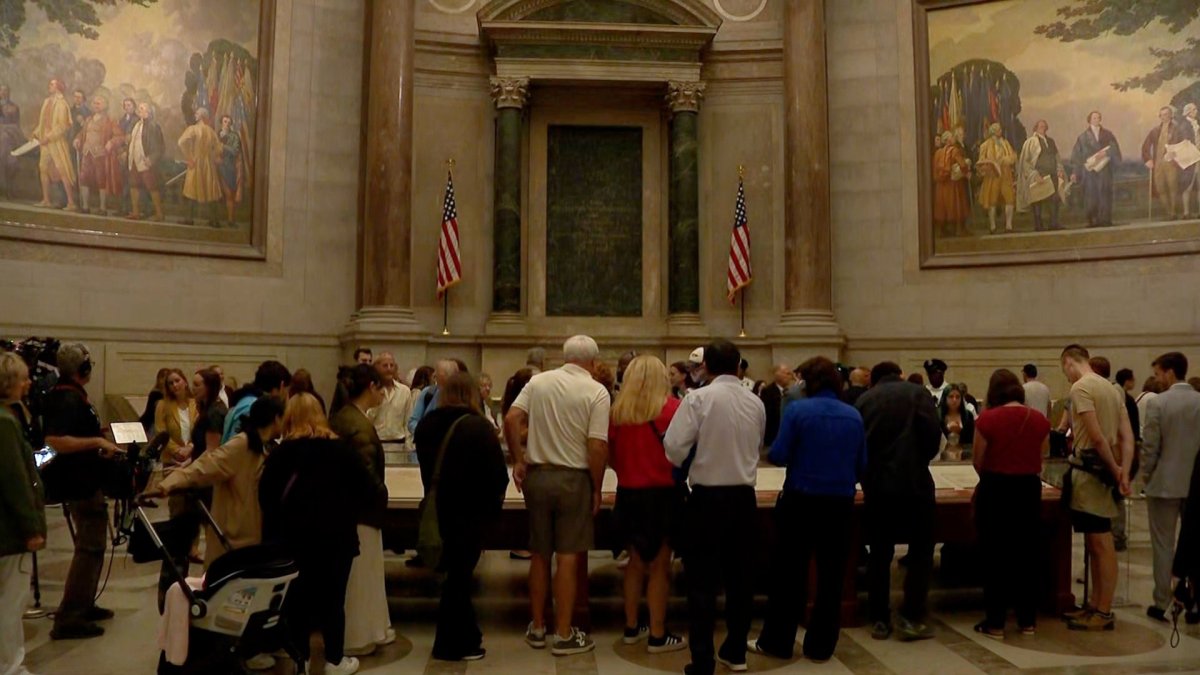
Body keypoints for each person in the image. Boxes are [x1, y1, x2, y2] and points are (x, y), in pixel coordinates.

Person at [751, 356, 864, 663]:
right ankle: (821, 646)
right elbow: (861, 463)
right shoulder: (853, 415)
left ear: (808, 382)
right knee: (832, 576)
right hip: (840, 503)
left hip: (801, 499)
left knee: (789, 573)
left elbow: (779, 453)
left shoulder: (799, 411)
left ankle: (778, 642)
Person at [504, 336, 610, 656]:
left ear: (563, 357)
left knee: (539, 553)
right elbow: (597, 445)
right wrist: (596, 486)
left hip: (538, 475)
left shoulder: (539, 382)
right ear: (593, 362)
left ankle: (537, 627)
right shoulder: (596, 391)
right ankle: (563, 634)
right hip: (574, 479)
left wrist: (518, 459)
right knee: (567, 556)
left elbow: (511, 418)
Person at [664, 340, 765, 675]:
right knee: (741, 580)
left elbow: (674, 448)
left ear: (705, 366)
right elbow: (757, 445)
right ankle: (736, 651)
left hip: (707, 499)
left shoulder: (698, 399)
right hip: (744, 499)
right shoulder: (755, 402)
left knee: (702, 582)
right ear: (737, 366)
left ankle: (703, 659)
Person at [259, 393, 369, 675]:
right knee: (334, 600)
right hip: (337, 539)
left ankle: (301, 660)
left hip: (293, 539)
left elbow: (266, 498)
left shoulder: (280, 454)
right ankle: (334, 659)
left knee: (298, 601)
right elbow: (365, 488)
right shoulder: (342, 450)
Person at [414, 372, 508, 661]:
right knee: (459, 580)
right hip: (469, 514)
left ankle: (468, 635)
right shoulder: (478, 427)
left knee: (455, 578)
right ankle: (449, 645)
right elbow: (497, 476)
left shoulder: (427, 425)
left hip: (438, 510)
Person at [43, 344, 124, 639]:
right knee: (88, 549)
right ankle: (70, 616)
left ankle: (84, 603)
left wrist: (96, 438)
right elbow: (55, 441)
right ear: (84, 368)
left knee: (94, 546)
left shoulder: (71, 395)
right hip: (79, 484)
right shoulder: (67, 398)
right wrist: (97, 442)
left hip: (86, 481)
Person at [855, 361, 941, 642]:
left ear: (874, 379)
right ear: (899, 375)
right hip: (916, 483)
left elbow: (859, 444)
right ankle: (911, 614)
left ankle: (879, 617)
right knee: (921, 551)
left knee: (880, 553)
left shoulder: (865, 400)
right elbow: (932, 437)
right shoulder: (919, 394)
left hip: (879, 485)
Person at [608, 356, 687, 654]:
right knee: (660, 566)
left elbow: (610, 453)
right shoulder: (673, 409)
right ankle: (657, 633)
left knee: (634, 562)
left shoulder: (618, 412)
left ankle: (631, 627)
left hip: (629, 492)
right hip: (663, 494)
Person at [149, 396, 282, 566]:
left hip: (251, 540)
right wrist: (165, 485)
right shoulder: (241, 445)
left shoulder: (267, 447)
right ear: (276, 418)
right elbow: (203, 468)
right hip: (234, 541)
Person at [970, 369, 1050, 638]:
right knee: (1027, 554)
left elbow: (978, 460)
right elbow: (1043, 453)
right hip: (1028, 489)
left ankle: (995, 622)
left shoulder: (987, 419)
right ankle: (1027, 620)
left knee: (995, 556)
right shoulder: (1038, 419)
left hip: (995, 488)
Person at [1060, 344, 1133, 631]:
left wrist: (1116, 471)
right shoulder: (1113, 390)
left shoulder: (1080, 388)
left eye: (1064, 369)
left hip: (1091, 474)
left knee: (1101, 543)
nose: (1066, 375)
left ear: (1069, 362)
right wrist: (1123, 471)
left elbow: (1098, 437)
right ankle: (1094, 604)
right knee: (1095, 542)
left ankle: (1103, 611)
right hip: (1106, 472)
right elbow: (1126, 437)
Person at [329, 365, 394, 657]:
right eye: (381, 388)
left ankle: (364, 632)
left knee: (356, 578)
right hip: (360, 512)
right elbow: (365, 475)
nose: (383, 394)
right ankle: (358, 636)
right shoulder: (359, 425)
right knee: (361, 579)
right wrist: (381, 496)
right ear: (371, 387)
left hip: (346, 508)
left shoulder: (342, 417)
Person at [1140, 352, 1200, 622]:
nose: (1157, 379)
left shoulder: (1159, 403)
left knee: (1163, 544)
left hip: (1164, 482)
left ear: (1170, 372)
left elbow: (1151, 446)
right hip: (1196, 484)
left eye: (1158, 374)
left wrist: (1146, 476)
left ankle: (1162, 601)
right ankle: (1195, 603)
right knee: (1195, 543)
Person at [0, 353, 46, 675]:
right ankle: (11, 666)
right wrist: (31, 527)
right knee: (10, 602)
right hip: (9, 530)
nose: (28, 383)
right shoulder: (5, 422)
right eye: (23, 378)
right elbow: (14, 479)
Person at [72, 95, 123, 216]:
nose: (96, 105)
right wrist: (77, 139)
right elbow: (82, 133)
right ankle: (85, 206)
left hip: (101, 154)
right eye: (94, 103)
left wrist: (111, 142)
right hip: (86, 153)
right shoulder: (89, 120)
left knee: (101, 179)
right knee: (84, 178)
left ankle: (103, 208)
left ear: (105, 105)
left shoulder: (109, 121)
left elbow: (120, 136)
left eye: (99, 103)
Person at [1141, 105, 1195, 221]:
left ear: (1171, 115)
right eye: (1161, 115)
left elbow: (1185, 144)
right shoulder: (1155, 131)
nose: (1164, 117)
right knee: (1160, 188)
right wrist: (1148, 159)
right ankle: (1169, 212)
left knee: (1173, 187)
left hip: (1172, 163)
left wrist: (1175, 153)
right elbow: (1145, 147)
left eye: (1166, 114)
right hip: (1158, 163)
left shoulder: (1177, 129)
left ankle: (1174, 212)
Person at [32, 79, 78, 211]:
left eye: (52, 84)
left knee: (62, 170)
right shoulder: (47, 101)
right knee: (43, 168)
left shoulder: (62, 104)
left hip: (56, 142)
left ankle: (71, 202)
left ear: (58, 87)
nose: (49, 86)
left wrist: (49, 137)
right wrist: (36, 133)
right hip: (45, 143)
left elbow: (62, 126)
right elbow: (43, 122)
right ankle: (46, 200)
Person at [1071, 111, 1122, 228]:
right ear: (1089, 120)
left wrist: (1106, 153)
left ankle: (1105, 219)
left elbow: (1114, 148)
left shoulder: (1107, 134)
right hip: (1090, 171)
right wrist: (1075, 172)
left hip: (1104, 169)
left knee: (1105, 193)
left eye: (1098, 117)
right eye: (1094, 118)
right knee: (1091, 195)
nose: (1096, 119)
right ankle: (1092, 220)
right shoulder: (1083, 137)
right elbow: (1077, 156)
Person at [222, 360, 291, 442]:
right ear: (282, 386)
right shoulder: (250, 407)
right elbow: (236, 443)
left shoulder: (247, 402)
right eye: (287, 390)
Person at [178, 107, 224, 226]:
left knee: (191, 190)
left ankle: (189, 219)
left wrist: (189, 157)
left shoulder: (193, 129)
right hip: (208, 164)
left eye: (197, 113)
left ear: (202, 116)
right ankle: (214, 221)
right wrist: (214, 157)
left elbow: (181, 142)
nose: (195, 115)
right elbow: (219, 148)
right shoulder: (211, 131)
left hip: (195, 162)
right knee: (210, 190)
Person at [1017, 119, 1063, 231]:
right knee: (1037, 201)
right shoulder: (1030, 142)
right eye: (1040, 126)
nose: (1043, 128)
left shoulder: (1050, 141)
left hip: (1052, 175)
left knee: (1054, 199)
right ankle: (1038, 225)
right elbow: (1026, 162)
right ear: (1036, 128)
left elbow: (1056, 157)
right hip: (1039, 175)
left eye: (1044, 126)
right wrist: (1034, 175)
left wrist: (1059, 169)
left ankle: (1053, 223)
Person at [126, 102, 165, 221]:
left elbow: (159, 146)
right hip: (134, 160)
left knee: (152, 186)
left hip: (146, 161)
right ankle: (136, 212)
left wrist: (152, 159)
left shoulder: (153, 126)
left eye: (142, 108)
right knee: (134, 185)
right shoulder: (136, 124)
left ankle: (159, 214)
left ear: (148, 112)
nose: (139, 110)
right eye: (139, 108)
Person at [155, 368, 197, 475]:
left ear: (185, 382)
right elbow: (160, 432)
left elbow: (200, 430)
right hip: (172, 460)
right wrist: (177, 451)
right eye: (171, 383)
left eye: (177, 381)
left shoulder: (195, 404)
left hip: (192, 458)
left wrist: (190, 447)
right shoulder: (162, 405)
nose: (174, 385)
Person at [977, 123, 1017, 233]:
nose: (1000, 131)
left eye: (1000, 129)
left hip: (1005, 174)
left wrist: (1006, 160)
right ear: (993, 131)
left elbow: (1013, 157)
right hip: (992, 175)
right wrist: (990, 164)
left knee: (1009, 199)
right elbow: (981, 161)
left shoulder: (1005, 143)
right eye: (998, 130)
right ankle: (992, 226)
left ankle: (1009, 225)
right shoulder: (985, 145)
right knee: (992, 200)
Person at [368, 352, 414, 446]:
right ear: (377, 368)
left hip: (399, 444)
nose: (389, 369)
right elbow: (367, 420)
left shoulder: (404, 391)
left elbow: (408, 421)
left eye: (391, 365)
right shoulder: (371, 390)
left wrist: (409, 444)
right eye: (385, 366)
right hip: (377, 443)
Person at [932, 129, 971, 236]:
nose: (954, 139)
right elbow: (962, 164)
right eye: (952, 137)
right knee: (957, 205)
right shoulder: (954, 151)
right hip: (953, 183)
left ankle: (942, 230)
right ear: (948, 140)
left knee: (942, 206)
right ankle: (959, 230)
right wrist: (966, 170)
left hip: (941, 184)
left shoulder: (938, 153)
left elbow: (934, 168)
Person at [408, 359, 458, 440]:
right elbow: (412, 422)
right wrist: (425, 433)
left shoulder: (460, 396)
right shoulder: (428, 393)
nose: (434, 375)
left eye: (437, 372)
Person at [189, 368, 227, 460]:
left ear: (209, 387)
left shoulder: (214, 413)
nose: (192, 388)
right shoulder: (207, 409)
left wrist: (191, 467)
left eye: (197, 385)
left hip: (205, 466)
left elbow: (211, 452)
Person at [216, 114, 242, 226]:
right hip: (216, 167)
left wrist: (223, 146)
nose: (227, 124)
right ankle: (215, 220)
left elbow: (235, 151)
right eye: (225, 121)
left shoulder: (234, 136)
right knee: (215, 193)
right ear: (221, 123)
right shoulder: (216, 134)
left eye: (228, 122)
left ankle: (230, 219)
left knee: (229, 194)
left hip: (228, 168)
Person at [760, 363, 793, 447]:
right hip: (773, 437)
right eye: (787, 373)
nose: (790, 377)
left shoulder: (789, 392)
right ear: (778, 375)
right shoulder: (768, 392)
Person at [939, 384, 975, 460]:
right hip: (940, 457)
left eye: (958, 397)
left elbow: (971, 441)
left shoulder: (968, 416)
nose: (954, 400)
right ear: (945, 398)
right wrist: (947, 431)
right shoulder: (937, 416)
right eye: (951, 397)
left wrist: (960, 431)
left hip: (964, 456)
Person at [139, 367, 170, 433]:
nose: (164, 380)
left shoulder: (172, 395)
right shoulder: (155, 394)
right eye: (162, 377)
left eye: (167, 377)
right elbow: (150, 413)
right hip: (152, 422)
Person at [1184, 102, 1200, 218]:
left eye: (1196, 109)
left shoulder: (1197, 123)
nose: (1196, 111)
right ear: (1188, 112)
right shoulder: (1184, 125)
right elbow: (1184, 141)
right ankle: (1186, 212)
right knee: (1187, 185)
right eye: (1194, 110)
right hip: (1189, 158)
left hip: (1199, 156)